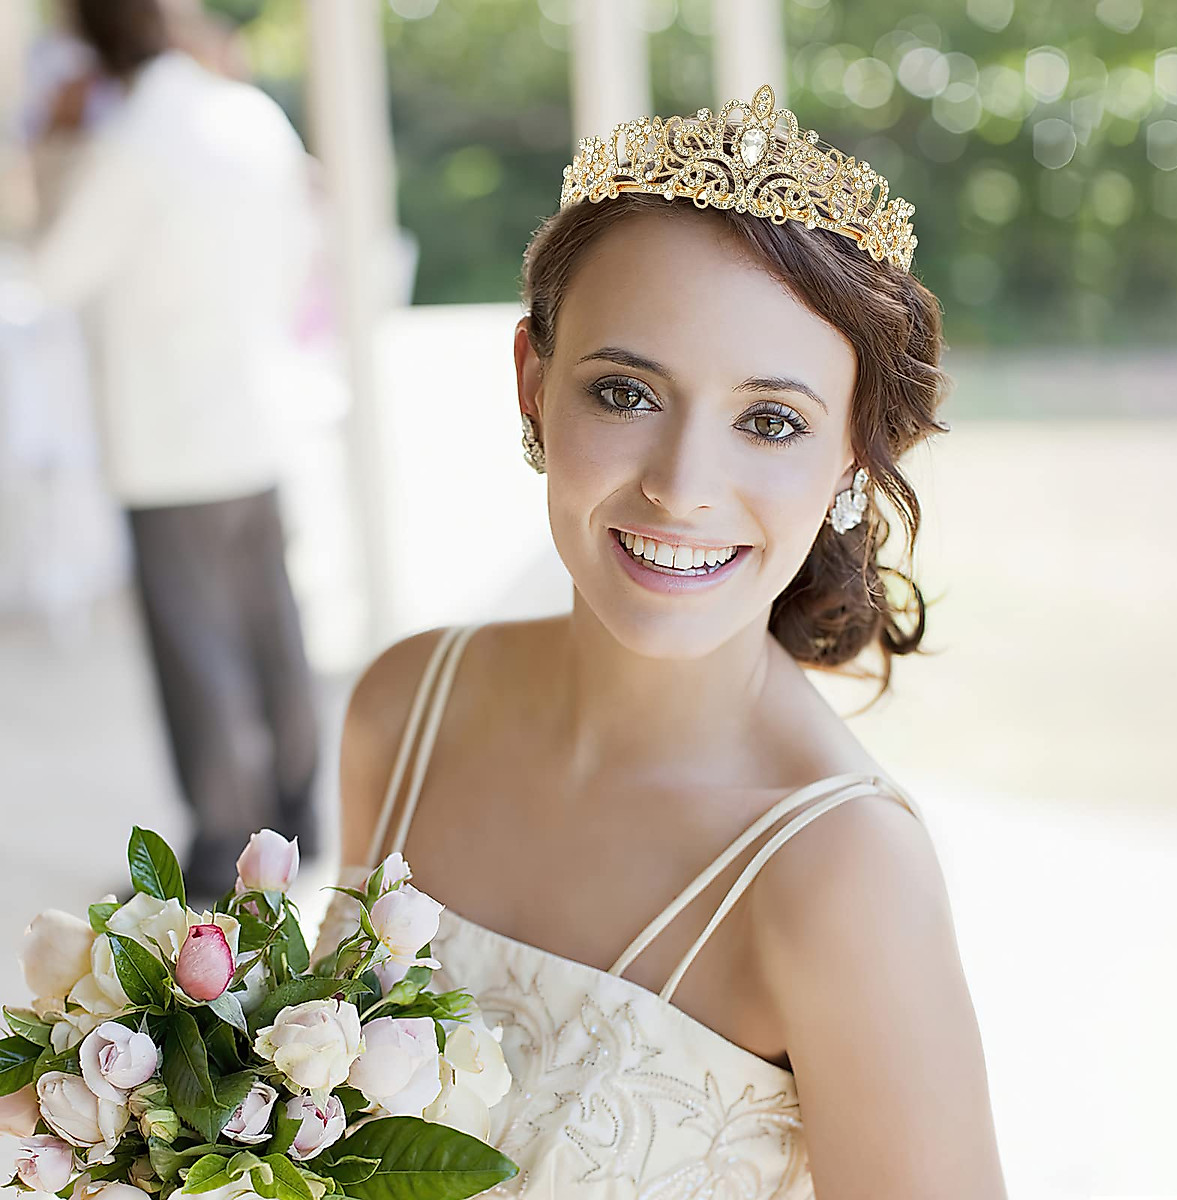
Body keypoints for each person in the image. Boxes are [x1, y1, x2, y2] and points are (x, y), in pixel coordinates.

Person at [317, 85, 1008, 1197]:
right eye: (627, 391)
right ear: (534, 385)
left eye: (770, 420)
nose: (682, 487)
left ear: (850, 458)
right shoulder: (403, 705)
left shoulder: (842, 876)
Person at [18, 0, 321, 899]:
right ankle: (298, 819)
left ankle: (228, 842)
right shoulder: (249, 113)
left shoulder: (129, 140)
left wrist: (54, 145)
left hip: (168, 440)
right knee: (271, 630)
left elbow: (52, 269)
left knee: (200, 650)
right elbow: (300, 243)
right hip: (255, 412)